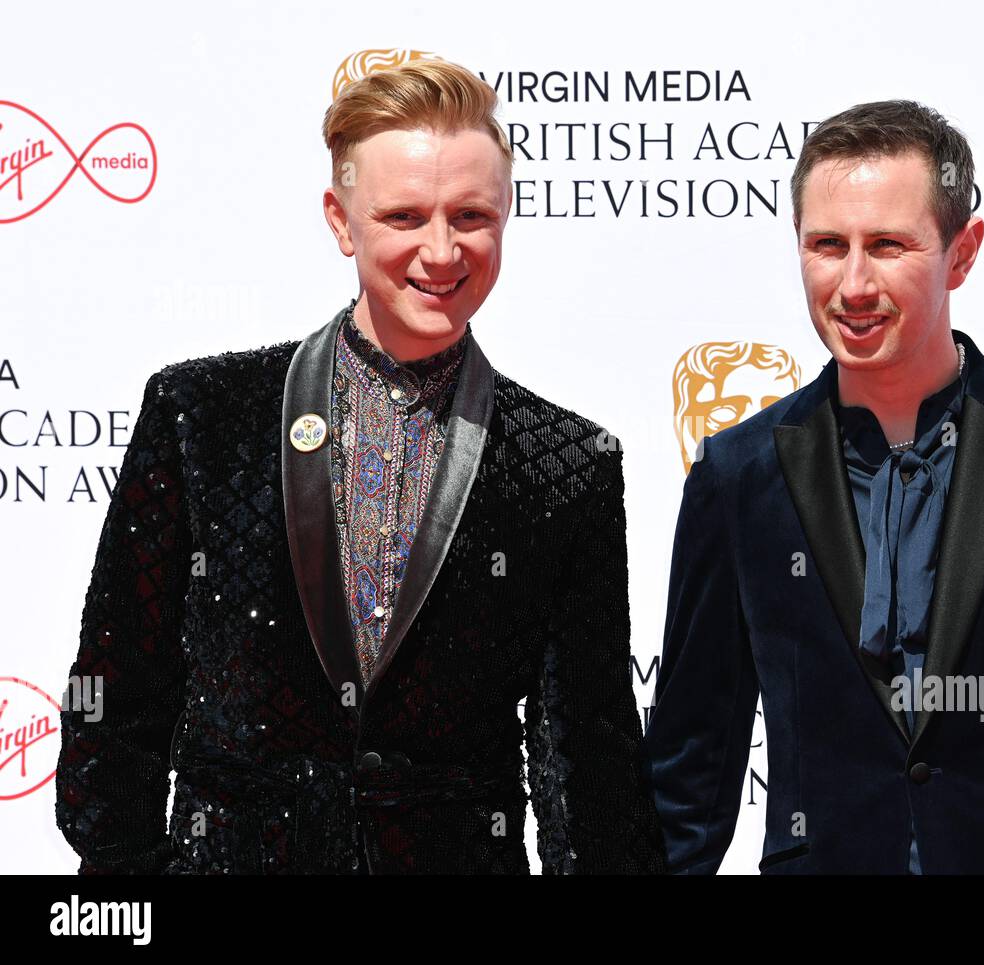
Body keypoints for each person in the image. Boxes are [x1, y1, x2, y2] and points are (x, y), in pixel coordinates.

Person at [55, 56, 666, 874]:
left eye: (472, 216)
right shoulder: (201, 414)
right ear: (342, 222)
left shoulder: (564, 462)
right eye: (405, 216)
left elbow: (586, 762)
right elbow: (114, 694)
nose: (442, 250)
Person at [643, 100, 984, 874]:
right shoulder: (738, 476)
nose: (854, 283)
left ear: (962, 252)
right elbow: (690, 769)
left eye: (888, 245)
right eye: (828, 245)